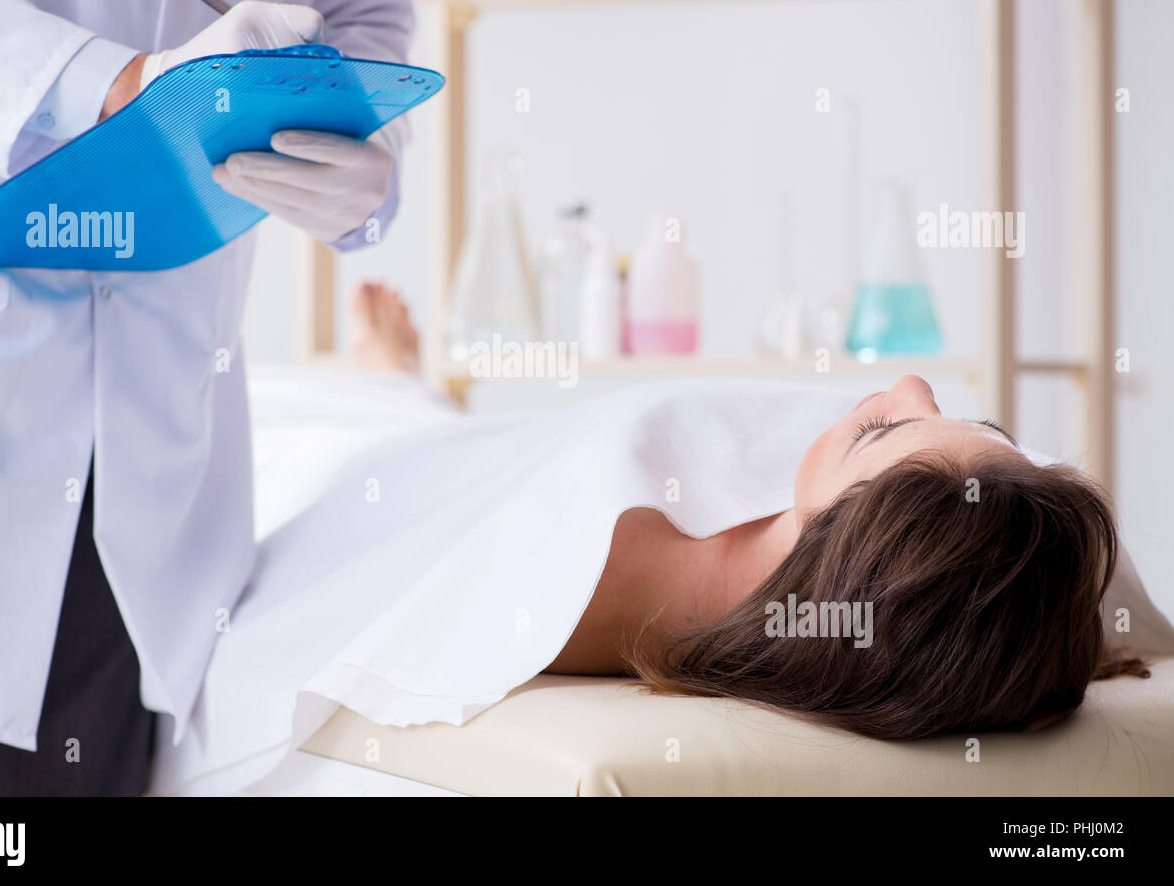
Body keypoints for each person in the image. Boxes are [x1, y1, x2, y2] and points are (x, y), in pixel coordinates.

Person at [0, 0, 413, 795]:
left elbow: (363, 7)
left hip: (160, 469)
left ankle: (392, 377)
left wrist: (364, 169)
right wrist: (113, 83)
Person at [327, 284, 1153, 742]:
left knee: (382, 441)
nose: (908, 384)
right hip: (500, 453)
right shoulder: (1036, 545)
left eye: (879, 429)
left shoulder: (570, 570)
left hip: (415, 475)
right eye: (988, 429)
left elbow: (373, 561)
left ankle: (390, 393)